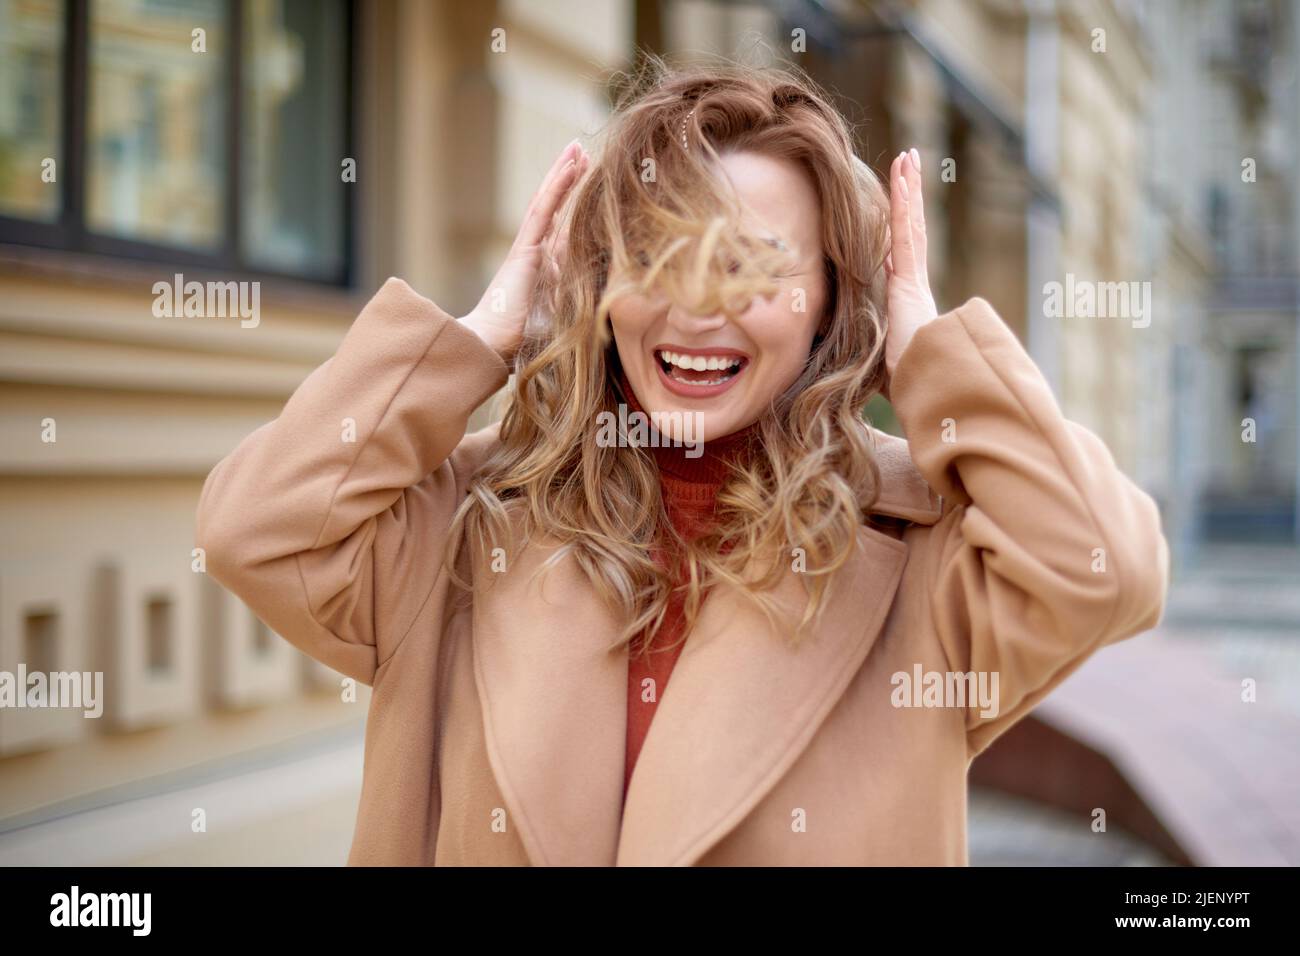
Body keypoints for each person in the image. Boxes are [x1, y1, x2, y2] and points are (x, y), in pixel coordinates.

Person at [195, 57, 1169, 866]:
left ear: (833, 301)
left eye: (756, 266)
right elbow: (259, 530)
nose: (698, 308)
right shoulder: (469, 527)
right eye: (656, 254)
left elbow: (1103, 566)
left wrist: (926, 355)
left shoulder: (921, 558)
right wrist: (481, 336)